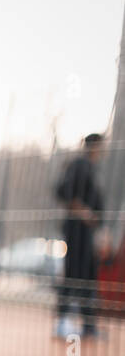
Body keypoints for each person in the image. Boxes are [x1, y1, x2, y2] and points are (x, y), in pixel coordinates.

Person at [53, 133, 107, 339]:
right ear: (94, 146)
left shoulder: (95, 169)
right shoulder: (79, 164)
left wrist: (101, 228)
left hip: (90, 233)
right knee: (73, 273)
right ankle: (62, 321)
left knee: (88, 276)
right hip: (77, 230)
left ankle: (88, 325)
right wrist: (83, 212)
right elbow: (63, 191)